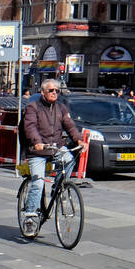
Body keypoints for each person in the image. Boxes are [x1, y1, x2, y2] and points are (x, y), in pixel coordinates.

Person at [19, 79, 84, 236]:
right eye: (51, 90)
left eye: (57, 90)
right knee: (38, 183)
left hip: (55, 148)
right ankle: (30, 217)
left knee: (69, 159)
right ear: (43, 92)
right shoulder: (32, 108)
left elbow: (69, 125)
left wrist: (79, 139)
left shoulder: (61, 108)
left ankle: (59, 188)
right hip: (37, 151)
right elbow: (30, 127)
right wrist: (37, 142)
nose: (55, 92)